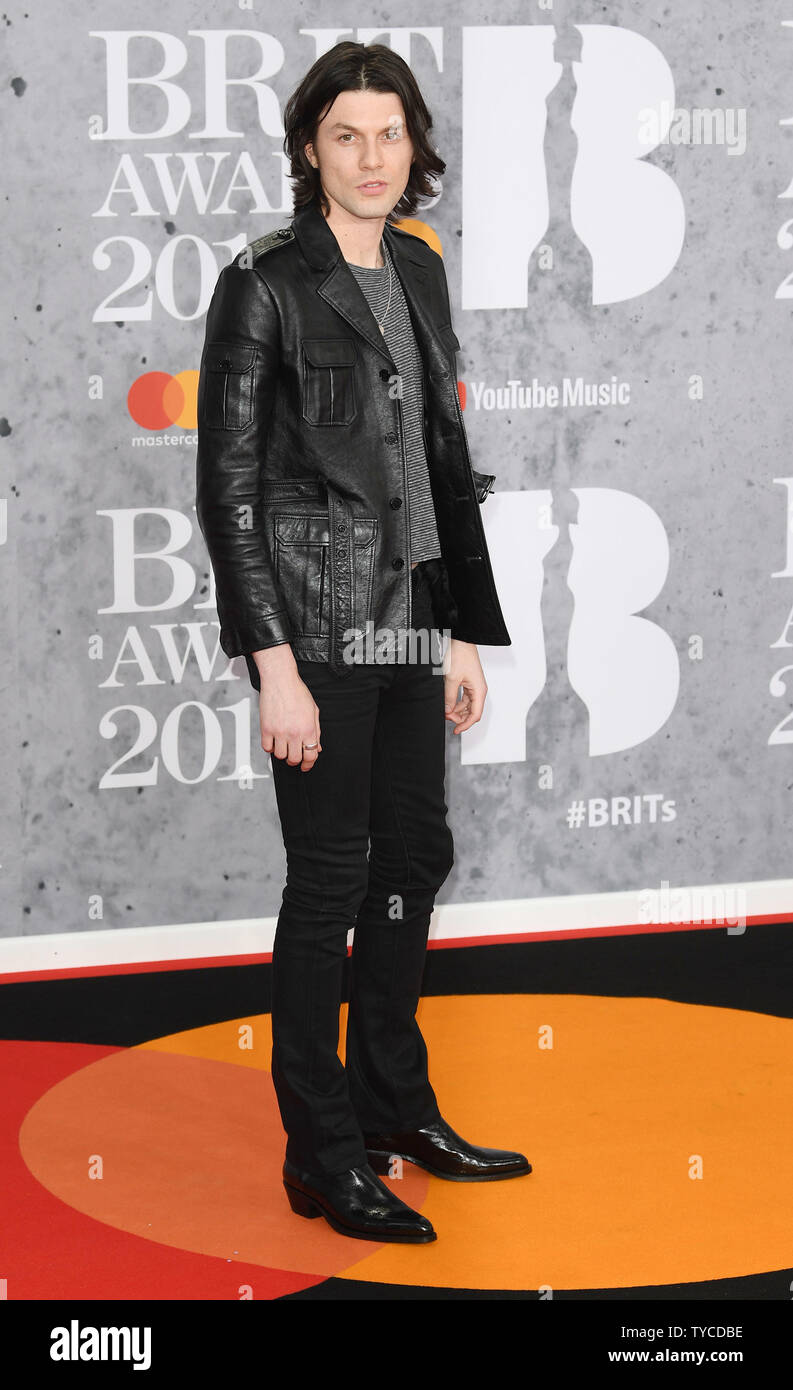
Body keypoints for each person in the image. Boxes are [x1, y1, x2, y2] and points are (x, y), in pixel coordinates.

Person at [195, 41, 531, 1245]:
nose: (373, 157)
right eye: (348, 135)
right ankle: (323, 1153)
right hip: (319, 631)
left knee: (414, 861)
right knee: (327, 885)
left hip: (410, 622)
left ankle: (398, 1102)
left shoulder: (418, 268)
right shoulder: (265, 283)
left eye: (391, 134)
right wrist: (272, 665)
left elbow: (435, 469)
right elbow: (228, 490)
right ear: (308, 149)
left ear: (413, 147)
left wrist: (456, 630)